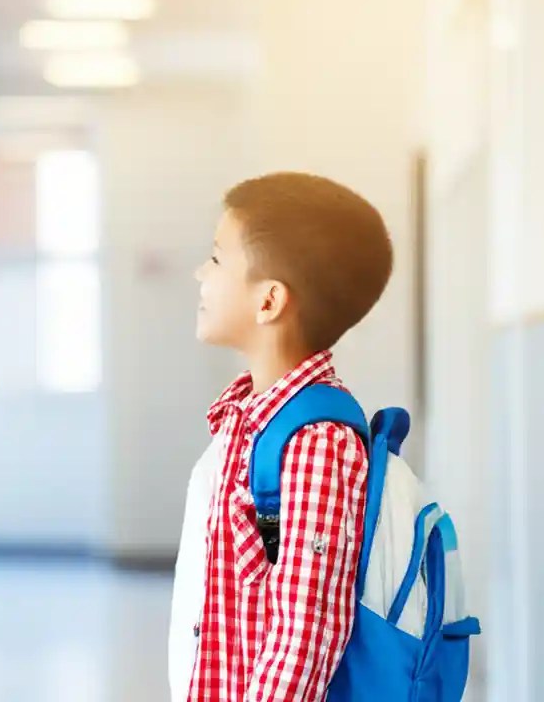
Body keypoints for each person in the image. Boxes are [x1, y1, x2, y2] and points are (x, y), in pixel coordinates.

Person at [169, 172, 394, 700]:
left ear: (269, 301)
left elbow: (304, 633)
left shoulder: (314, 440)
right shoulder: (252, 418)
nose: (200, 272)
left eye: (218, 258)